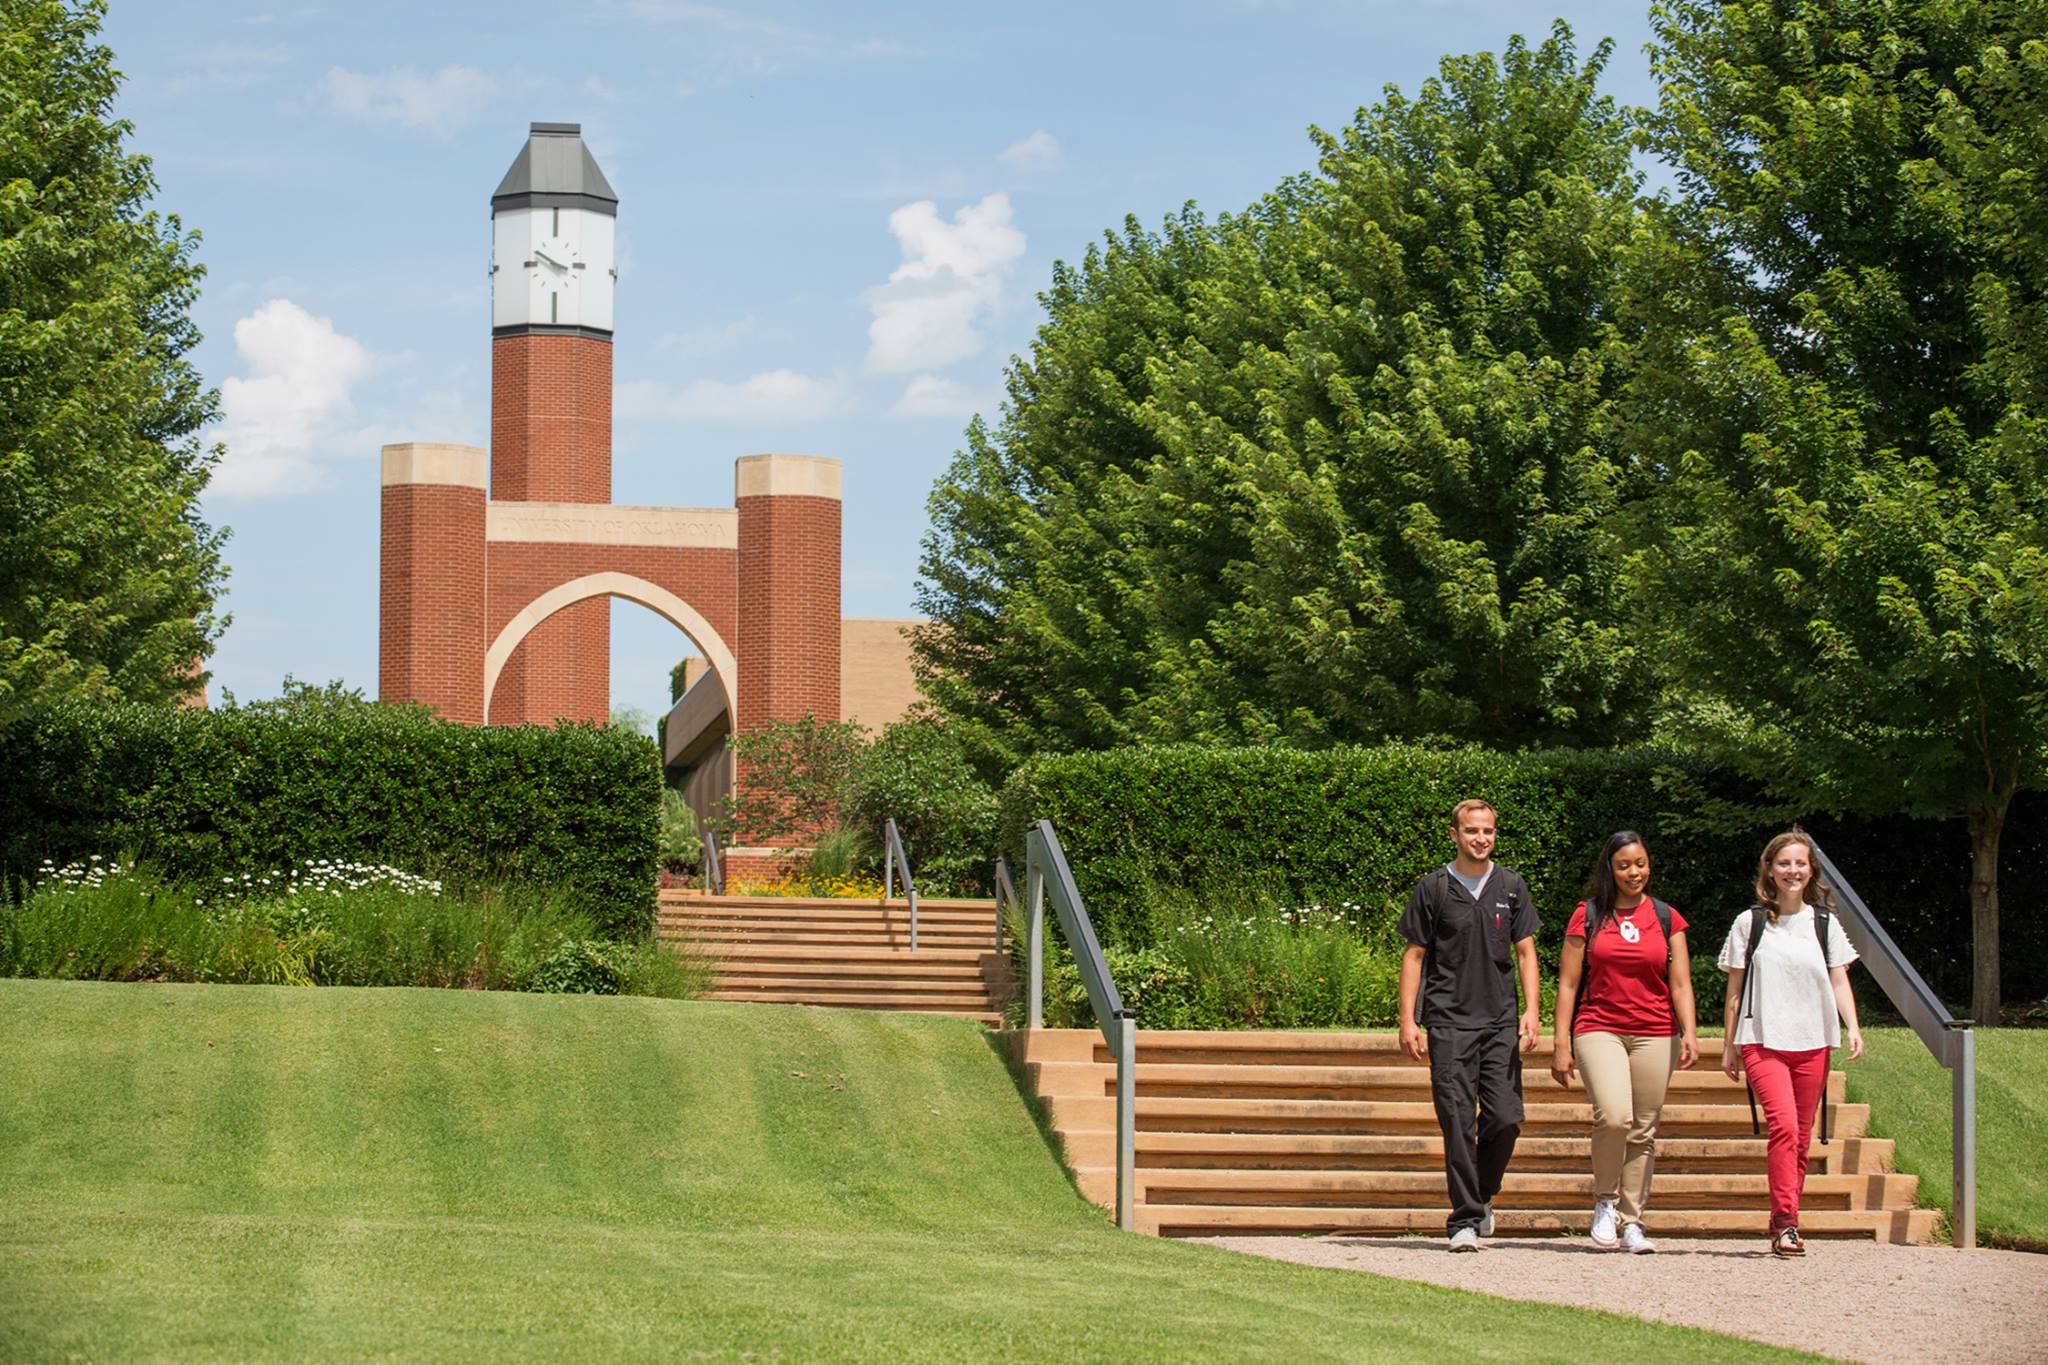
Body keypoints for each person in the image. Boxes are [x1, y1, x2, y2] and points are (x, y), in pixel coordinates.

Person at [1398, 798, 1541, 1253]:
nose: (1481, 838)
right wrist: (1408, 1020)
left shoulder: (1512, 886)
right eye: (1472, 831)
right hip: (1448, 1022)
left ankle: (1480, 1196)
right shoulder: (1434, 887)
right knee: (1457, 1120)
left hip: (1499, 1021)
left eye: (1488, 831)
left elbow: (1526, 953)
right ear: (1454, 835)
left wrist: (1533, 1011)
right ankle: (1463, 1220)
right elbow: (1415, 955)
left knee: (1506, 1118)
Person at [1550, 831, 1700, 1254]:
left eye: (1640, 864)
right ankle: (1604, 1201)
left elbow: (1681, 982)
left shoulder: (1668, 917)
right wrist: (1560, 1043)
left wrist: (1689, 1030)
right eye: (1624, 865)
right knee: (1614, 1117)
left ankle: (1633, 1221)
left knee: (1643, 1129)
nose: (1634, 872)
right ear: (1610, 870)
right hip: (1600, 1027)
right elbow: (1567, 983)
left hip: (1656, 1031)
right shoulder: (1589, 914)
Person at [1718, 829, 1863, 1259]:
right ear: (1769, 869)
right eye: (1784, 863)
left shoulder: (1824, 923)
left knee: (1800, 1137)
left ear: (1811, 870)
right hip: (1762, 1039)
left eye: (1800, 863)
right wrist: (1729, 1045)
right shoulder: (1751, 923)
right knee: (1782, 1127)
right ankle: (1786, 1223)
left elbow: (1840, 978)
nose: (1792, 871)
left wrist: (1852, 1026)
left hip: (1813, 1040)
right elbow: (1734, 989)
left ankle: (1786, 1219)